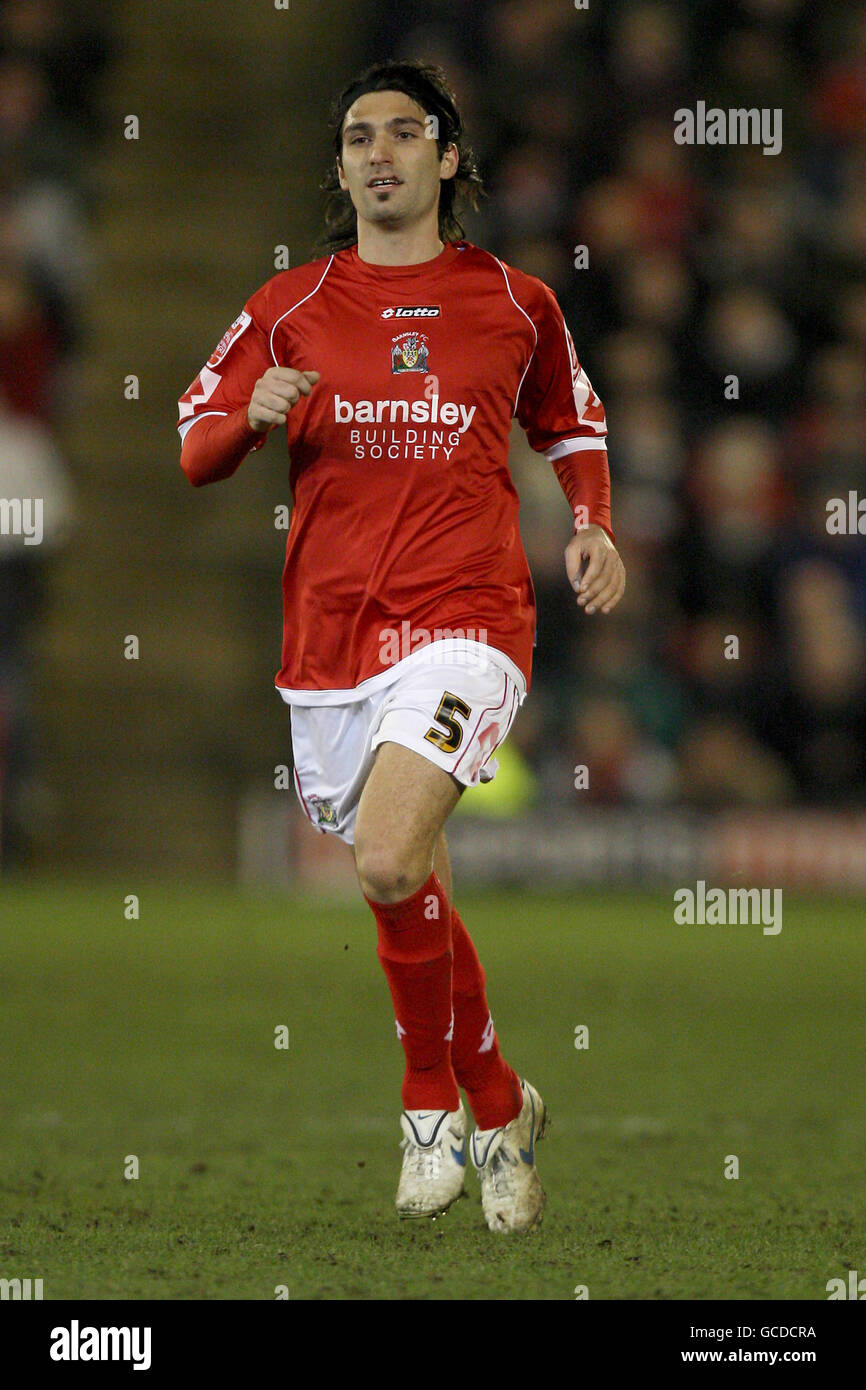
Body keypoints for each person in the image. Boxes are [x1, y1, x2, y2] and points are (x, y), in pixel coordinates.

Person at [176, 60, 625, 1234]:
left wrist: (591, 525)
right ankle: (498, 1095)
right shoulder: (288, 304)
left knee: (383, 859)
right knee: (399, 874)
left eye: (402, 133)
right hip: (330, 642)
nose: (378, 152)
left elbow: (569, 421)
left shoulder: (516, 301)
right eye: (357, 137)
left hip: (468, 624)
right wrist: (245, 418)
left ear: (445, 159)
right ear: (338, 168)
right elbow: (191, 445)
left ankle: (428, 1098)